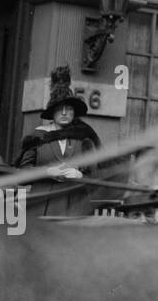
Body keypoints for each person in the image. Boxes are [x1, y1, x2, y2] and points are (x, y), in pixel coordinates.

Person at [17, 69, 99, 217]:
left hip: (75, 205)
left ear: (74, 113)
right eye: (59, 109)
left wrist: (80, 175)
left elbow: (95, 176)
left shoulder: (83, 137)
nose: (64, 113)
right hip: (42, 206)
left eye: (69, 109)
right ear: (52, 112)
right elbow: (23, 172)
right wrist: (47, 172)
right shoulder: (38, 136)